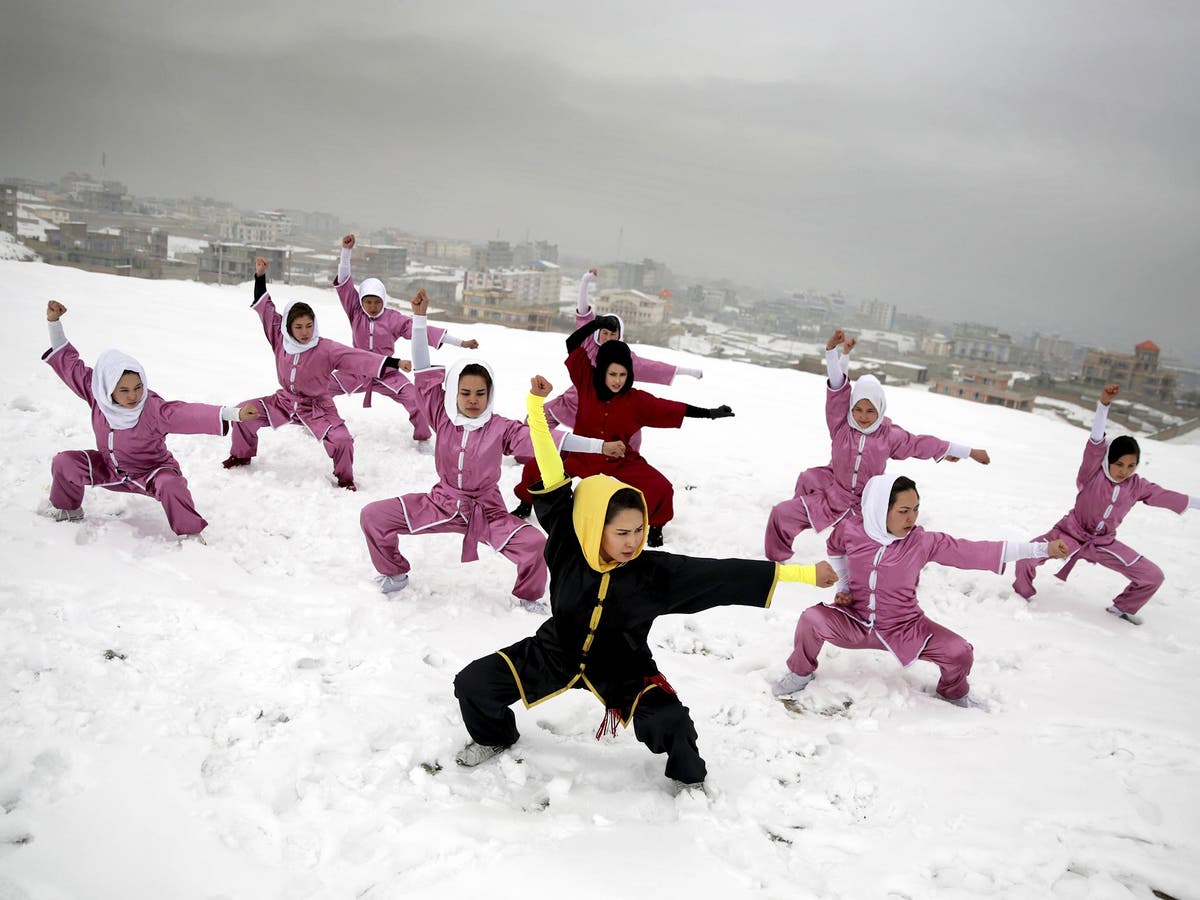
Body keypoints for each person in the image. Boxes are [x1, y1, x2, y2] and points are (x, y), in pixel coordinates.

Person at [452, 374, 838, 787]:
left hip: (623, 667)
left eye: (639, 530)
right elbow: (550, 466)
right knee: (473, 683)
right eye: (622, 533)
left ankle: (690, 783)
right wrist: (535, 407)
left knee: (672, 722)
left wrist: (804, 573)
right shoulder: (569, 540)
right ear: (594, 527)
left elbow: (726, 575)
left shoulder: (653, 573)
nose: (633, 542)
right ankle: (496, 737)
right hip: (553, 652)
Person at [358, 291, 610, 607]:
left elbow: (546, 442)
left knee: (534, 544)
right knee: (374, 516)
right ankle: (394, 574)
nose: (473, 399)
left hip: (487, 512)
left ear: (489, 394)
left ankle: (529, 598)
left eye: (480, 392)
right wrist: (419, 319)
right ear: (455, 393)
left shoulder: (501, 427)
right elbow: (422, 372)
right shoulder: (441, 415)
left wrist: (598, 446)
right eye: (466, 393)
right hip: (441, 502)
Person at [772, 473, 1069, 707]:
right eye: (903, 510)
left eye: (915, 509)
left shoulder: (921, 542)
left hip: (906, 628)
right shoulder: (853, 529)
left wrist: (1041, 548)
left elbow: (975, 551)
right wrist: (845, 585)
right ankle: (800, 672)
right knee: (812, 619)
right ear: (880, 510)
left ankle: (953, 694)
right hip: (855, 621)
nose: (912, 518)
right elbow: (835, 548)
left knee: (959, 652)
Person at [765, 328, 990, 562]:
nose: (863, 416)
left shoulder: (889, 436)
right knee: (784, 511)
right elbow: (837, 389)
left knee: (862, 548)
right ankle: (776, 561)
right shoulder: (841, 425)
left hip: (866, 508)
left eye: (871, 410)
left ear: (880, 409)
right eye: (858, 409)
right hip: (834, 499)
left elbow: (922, 444)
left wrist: (968, 451)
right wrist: (833, 352)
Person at [42, 300, 258, 540]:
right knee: (65, 462)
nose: (134, 395)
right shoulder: (97, 394)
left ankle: (190, 533)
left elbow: (190, 414)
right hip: (110, 469)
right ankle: (67, 509)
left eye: (138, 387)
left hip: (151, 473)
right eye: (124, 391)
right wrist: (54, 322)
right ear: (107, 389)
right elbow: (70, 365)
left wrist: (233, 413)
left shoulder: (153, 409)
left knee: (171, 485)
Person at [509, 267, 702, 517]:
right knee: (537, 429)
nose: (609, 337)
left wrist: (687, 371)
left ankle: (628, 494)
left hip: (614, 421)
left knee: (628, 449)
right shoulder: (588, 344)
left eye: (615, 334)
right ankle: (528, 480)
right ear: (598, 331)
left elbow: (656, 369)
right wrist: (585, 281)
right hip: (576, 408)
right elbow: (581, 316)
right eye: (606, 332)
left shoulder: (626, 359)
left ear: (621, 337)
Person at [537, 318, 735, 548]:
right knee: (536, 470)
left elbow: (671, 407)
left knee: (661, 488)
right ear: (602, 372)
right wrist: (598, 322)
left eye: (622, 375)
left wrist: (709, 413)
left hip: (618, 459)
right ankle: (525, 503)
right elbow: (572, 344)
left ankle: (657, 525)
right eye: (612, 374)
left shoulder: (637, 401)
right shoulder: (586, 382)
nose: (617, 381)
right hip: (581, 456)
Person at [1012, 384, 1197, 625]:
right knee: (1026, 557)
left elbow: (1168, 496)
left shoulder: (1137, 485)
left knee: (1152, 576)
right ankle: (1020, 596)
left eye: (1131, 466)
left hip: (1103, 543)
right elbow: (1096, 440)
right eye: (1119, 464)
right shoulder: (1092, 473)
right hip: (1068, 534)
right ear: (1109, 460)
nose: (1124, 471)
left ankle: (1122, 608)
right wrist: (1104, 405)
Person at [222, 257, 412, 490]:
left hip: (318, 407)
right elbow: (266, 308)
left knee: (343, 441)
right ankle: (241, 455)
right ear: (288, 328)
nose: (304, 332)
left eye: (309, 326)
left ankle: (345, 479)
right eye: (299, 327)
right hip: (283, 401)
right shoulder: (280, 338)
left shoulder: (326, 349)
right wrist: (260, 276)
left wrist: (394, 362)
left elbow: (360, 358)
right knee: (243, 413)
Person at [331, 234, 478, 448]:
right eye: (368, 301)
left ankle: (422, 439)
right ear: (361, 301)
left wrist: (461, 342)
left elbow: (424, 331)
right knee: (318, 389)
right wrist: (346, 252)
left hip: (387, 373)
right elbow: (344, 283)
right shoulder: (355, 311)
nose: (372, 306)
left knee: (416, 402)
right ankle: (316, 423)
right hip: (355, 371)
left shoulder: (393, 319)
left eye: (376, 301)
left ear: (384, 300)